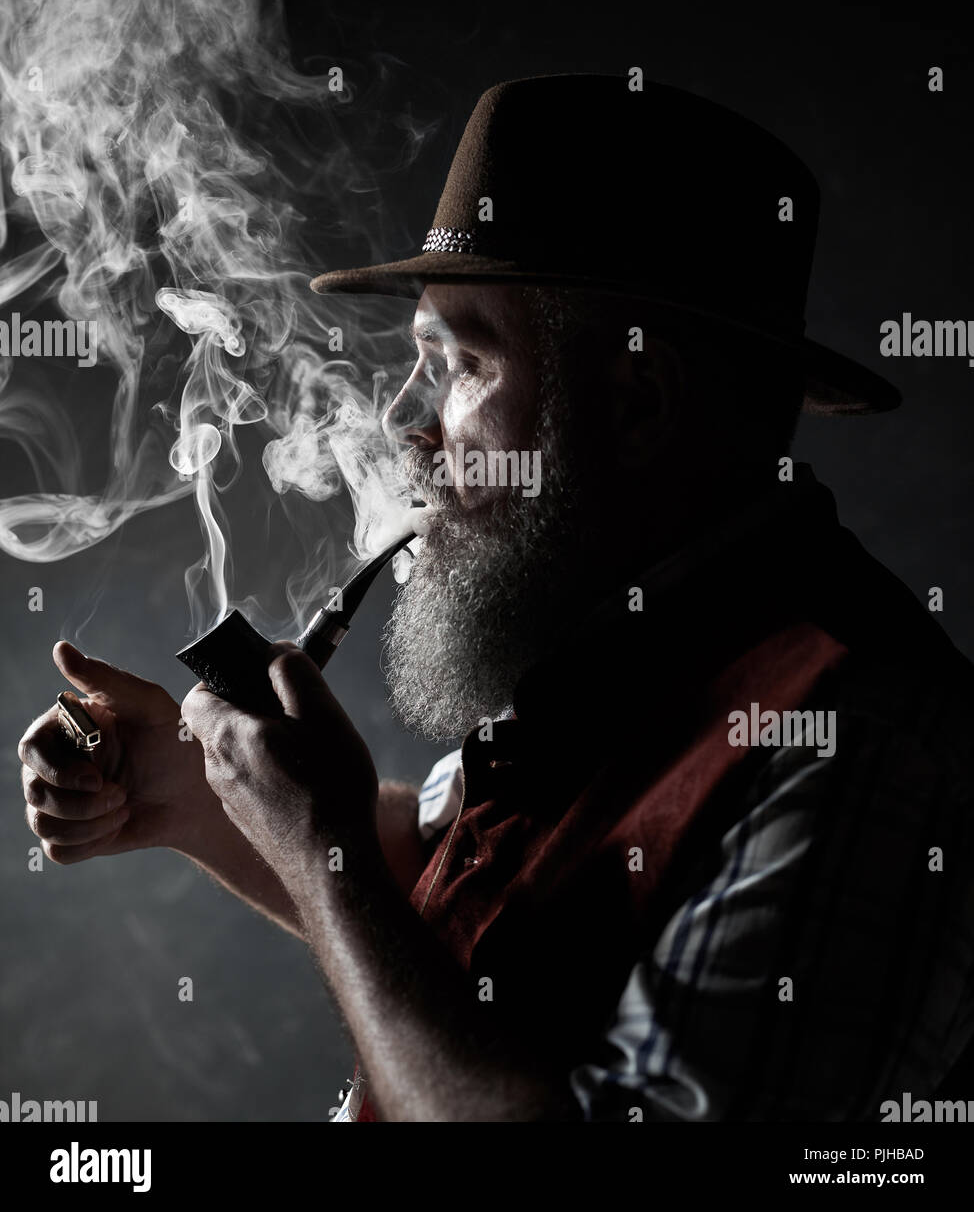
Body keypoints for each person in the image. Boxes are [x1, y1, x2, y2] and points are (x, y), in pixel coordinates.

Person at [19, 75, 974, 1122]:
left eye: (461, 360)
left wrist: (326, 861)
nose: (403, 420)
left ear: (635, 403)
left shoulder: (859, 747)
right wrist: (195, 794)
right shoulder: (623, 644)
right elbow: (459, 894)